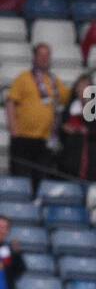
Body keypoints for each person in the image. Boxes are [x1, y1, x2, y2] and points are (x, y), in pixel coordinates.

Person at [5, 43, 68, 186]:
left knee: (42, 181)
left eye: (47, 55)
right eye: (41, 55)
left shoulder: (54, 81)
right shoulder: (23, 78)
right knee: (20, 180)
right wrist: (13, 129)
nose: (44, 58)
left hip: (45, 141)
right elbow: (10, 103)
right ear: (34, 57)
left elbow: (67, 98)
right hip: (23, 138)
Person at [57, 72, 96, 182]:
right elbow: (60, 132)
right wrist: (65, 130)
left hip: (93, 160)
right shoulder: (69, 109)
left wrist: (87, 130)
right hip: (71, 159)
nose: (83, 90)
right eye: (80, 87)